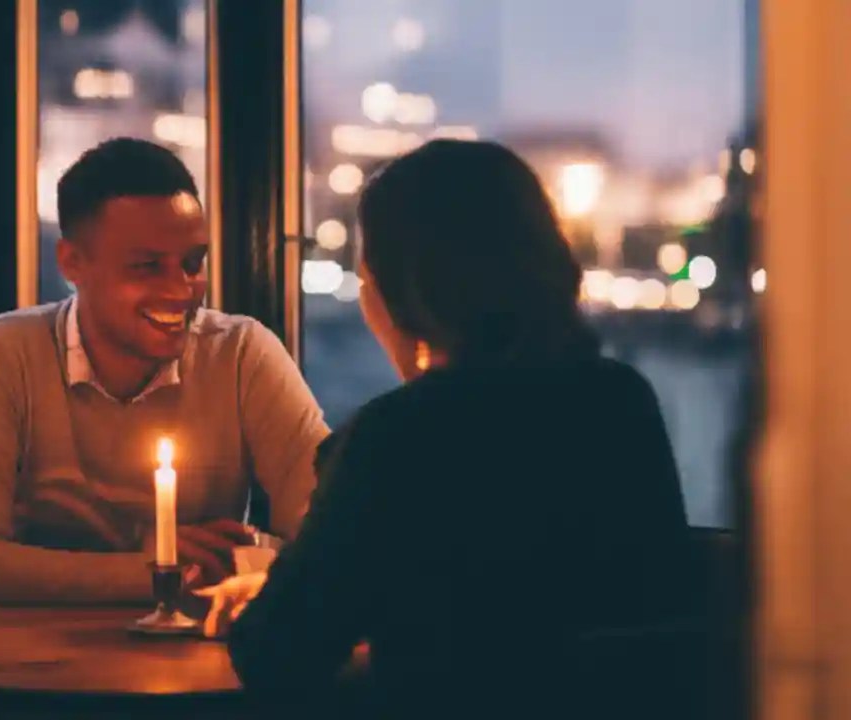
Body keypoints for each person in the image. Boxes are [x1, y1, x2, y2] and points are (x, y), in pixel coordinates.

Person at [199, 140, 694, 716]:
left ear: (403, 292)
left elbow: (273, 652)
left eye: (367, 279)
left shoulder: (400, 436)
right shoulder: (620, 400)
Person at [0, 138, 329, 605]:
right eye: (147, 267)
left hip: (193, 663)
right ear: (72, 263)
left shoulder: (241, 353)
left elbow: (328, 530)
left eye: (192, 263)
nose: (181, 290)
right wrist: (156, 570)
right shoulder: (2, 352)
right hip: (31, 662)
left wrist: (259, 558)